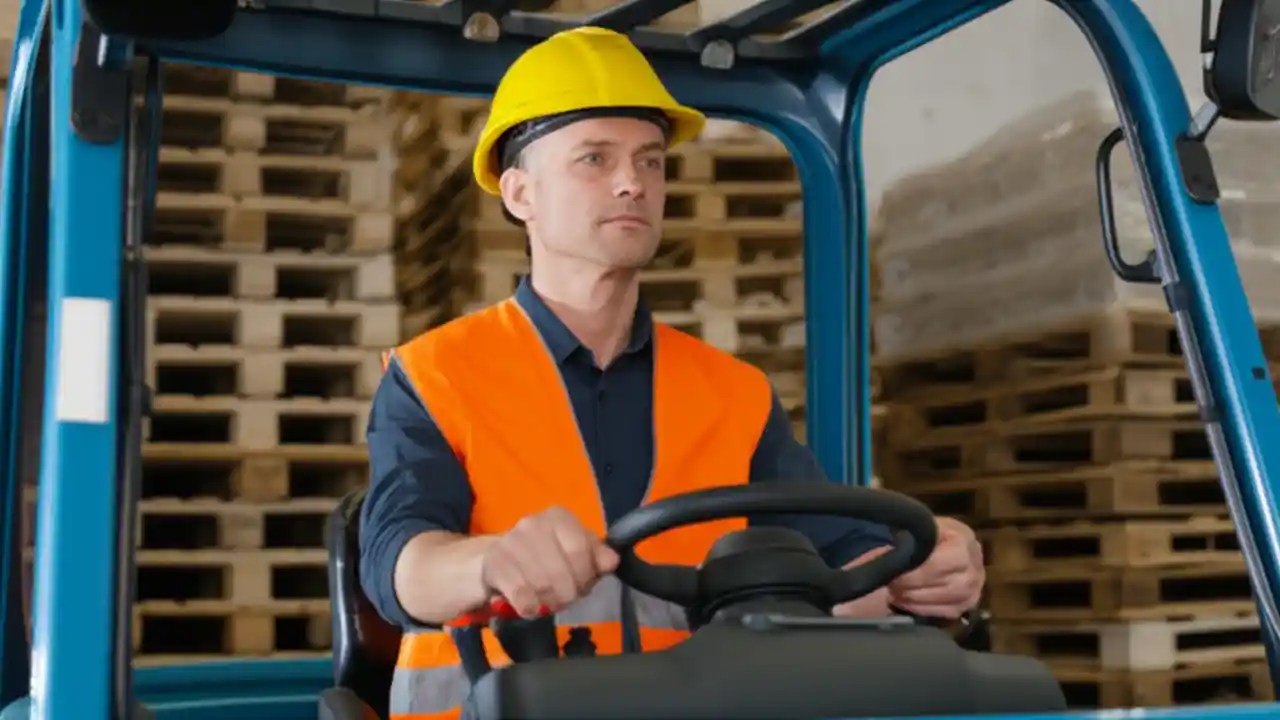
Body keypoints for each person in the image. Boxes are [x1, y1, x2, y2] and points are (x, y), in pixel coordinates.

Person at [359, 25, 985, 720]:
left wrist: (924, 570)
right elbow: (400, 563)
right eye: (595, 159)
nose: (632, 182)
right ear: (520, 193)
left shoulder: (732, 394)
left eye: (651, 162)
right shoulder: (437, 375)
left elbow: (844, 559)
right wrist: (488, 562)